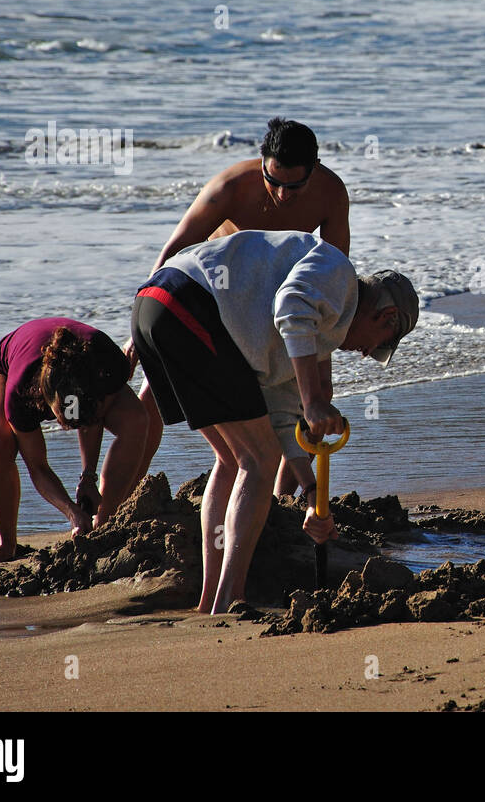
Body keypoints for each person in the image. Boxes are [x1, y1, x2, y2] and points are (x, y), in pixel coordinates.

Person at [131, 230, 418, 614]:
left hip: (154, 308)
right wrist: (314, 400)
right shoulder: (339, 274)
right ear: (387, 316)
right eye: (381, 342)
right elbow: (291, 306)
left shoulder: (312, 338)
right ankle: (230, 599)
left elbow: (282, 419)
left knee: (235, 460)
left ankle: (209, 603)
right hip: (189, 305)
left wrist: (313, 497)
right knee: (258, 461)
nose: (368, 354)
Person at [129, 117, 350, 498]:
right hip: (210, 302)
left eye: (294, 186)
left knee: (317, 393)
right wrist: (133, 333)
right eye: (274, 182)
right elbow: (170, 254)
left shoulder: (331, 193)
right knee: (150, 396)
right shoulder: (229, 187)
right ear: (261, 160)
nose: (282, 194)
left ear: (315, 169)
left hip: (279, 305)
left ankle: (281, 502)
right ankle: (118, 502)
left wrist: (320, 351)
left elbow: (334, 270)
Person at [0, 318, 148, 563]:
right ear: (46, 402)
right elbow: (37, 467)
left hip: (86, 364)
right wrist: (72, 512)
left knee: (136, 419)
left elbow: (93, 420)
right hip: (2, 369)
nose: (66, 427)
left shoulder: (109, 363)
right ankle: (6, 542)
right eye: (63, 419)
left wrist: (88, 476)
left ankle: (105, 521)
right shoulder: (20, 393)